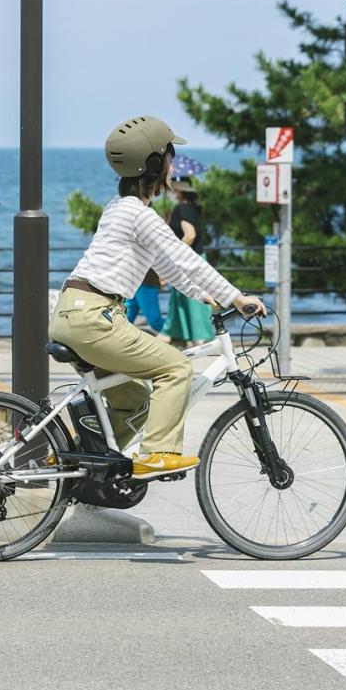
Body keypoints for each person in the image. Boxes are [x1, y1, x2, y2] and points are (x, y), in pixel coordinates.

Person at [49, 116, 264, 478]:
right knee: (177, 368)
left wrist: (206, 295)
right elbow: (186, 259)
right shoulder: (140, 216)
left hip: (73, 312)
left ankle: (81, 464)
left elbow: (173, 267)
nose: (172, 166)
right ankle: (157, 454)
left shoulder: (120, 209)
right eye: (169, 157)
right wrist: (236, 297)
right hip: (96, 317)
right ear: (154, 164)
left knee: (134, 402)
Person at [158, 178, 215, 347]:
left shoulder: (182, 208)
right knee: (183, 299)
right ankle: (183, 336)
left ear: (180, 190)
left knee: (191, 299)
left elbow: (190, 235)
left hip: (188, 261)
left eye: (174, 188)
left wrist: (175, 255)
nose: (172, 191)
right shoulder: (192, 208)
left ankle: (198, 338)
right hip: (197, 257)